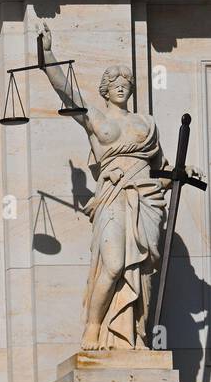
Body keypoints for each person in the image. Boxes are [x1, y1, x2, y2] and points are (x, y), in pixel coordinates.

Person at [35, 25, 168, 350]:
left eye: (126, 85)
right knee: (113, 264)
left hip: (146, 200)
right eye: (116, 85)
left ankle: (135, 337)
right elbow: (67, 90)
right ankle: (94, 328)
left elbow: (161, 170)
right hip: (112, 197)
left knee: (142, 271)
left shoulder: (146, 124)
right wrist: (47, 55)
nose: (121, 89)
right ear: (105, 90)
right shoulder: (95, 118)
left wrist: (181, 172)